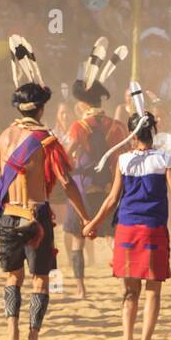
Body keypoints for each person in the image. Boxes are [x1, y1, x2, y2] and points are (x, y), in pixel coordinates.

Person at [82, 99, 171, 340]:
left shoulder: (122, 161)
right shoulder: (163, 158)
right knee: (153, 290)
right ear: (153, 132)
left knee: (130, 290)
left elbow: (112, 199)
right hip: (153, 230)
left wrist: (93, 224)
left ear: (131, 136)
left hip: (127, 230)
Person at [0, 79, 91, 340]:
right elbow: (66, 183)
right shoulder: (46, 141)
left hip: (8, 214)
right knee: (40, 280)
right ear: (41, 109)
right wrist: (86, 218)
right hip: (36, 216)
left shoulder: (4, 137)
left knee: (13, 276)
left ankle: (12, 332)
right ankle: (32, 336)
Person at [64, 56, 126, 297]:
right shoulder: (117, 126)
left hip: (83, 189)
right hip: (110, 188)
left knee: (79, 240)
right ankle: (123, 284)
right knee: (112, 239)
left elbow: (68, 155)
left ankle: (81, 289)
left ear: (83, 104)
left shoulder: (79, 126)